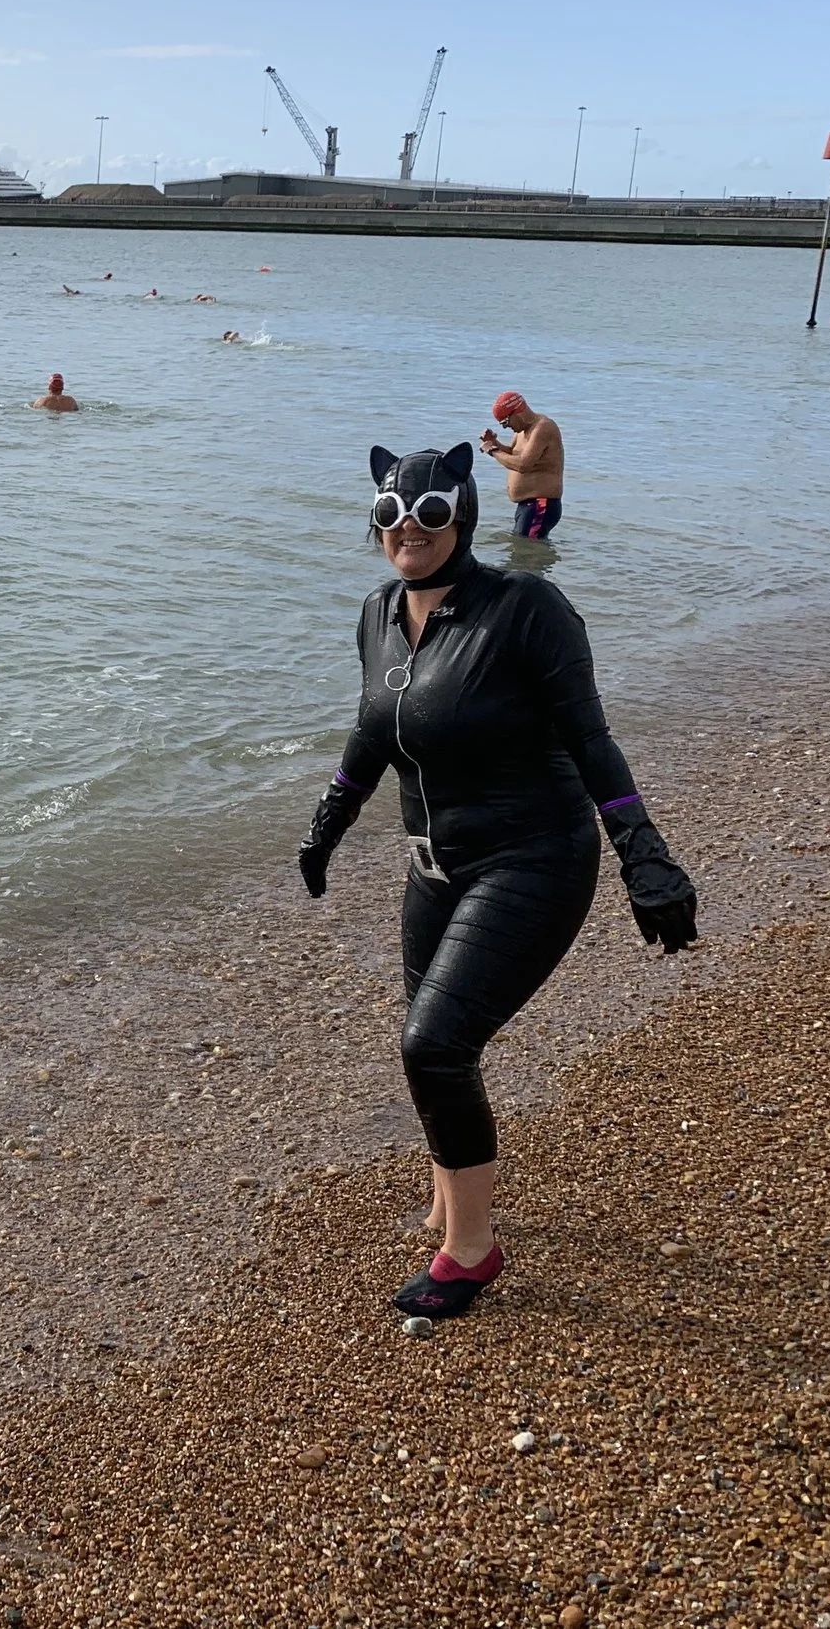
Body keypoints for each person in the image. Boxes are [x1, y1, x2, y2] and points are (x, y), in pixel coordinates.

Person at [296, 444, 698, 1322]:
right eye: (394, 515)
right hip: (432, 866)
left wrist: (643, 850)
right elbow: (373, 733)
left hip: (533, 858)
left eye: (431, 514)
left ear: (463, 516)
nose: (410, 530)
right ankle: (453, 1199)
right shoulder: (377, 612)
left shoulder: (525, 608)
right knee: (430, 1041)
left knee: (433, 1044)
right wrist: (329, 824)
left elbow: (592, 739)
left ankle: (471, 1252)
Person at [478, 391, 564, 540]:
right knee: (522, 551)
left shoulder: (543, 428)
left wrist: (492, 451)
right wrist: (494, 443)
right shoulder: (522, 431)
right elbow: (512, 454)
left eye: (505, 422)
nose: (505, 427)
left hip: (541, 505)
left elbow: (524, 465)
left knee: (527, 556)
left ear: (517, 413)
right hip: (528, 506)